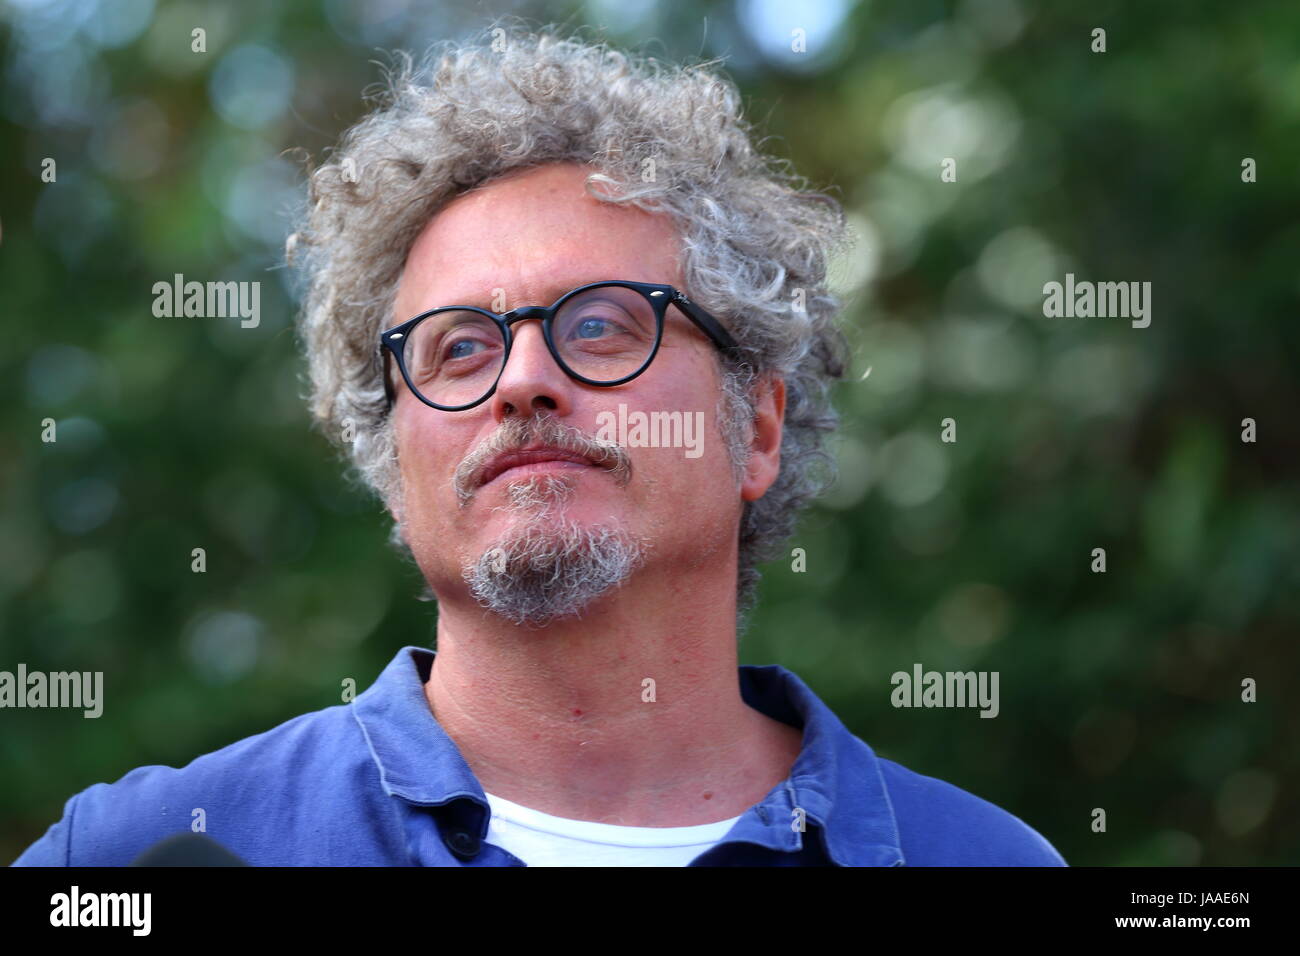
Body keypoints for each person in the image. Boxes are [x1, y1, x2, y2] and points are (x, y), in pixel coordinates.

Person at [13, 27, 1065, 867]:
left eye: (602, 323)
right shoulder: (136, 862)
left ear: (753, 426)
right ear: (395, 464)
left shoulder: (980, 858)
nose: (521, 380)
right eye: (459, 346)